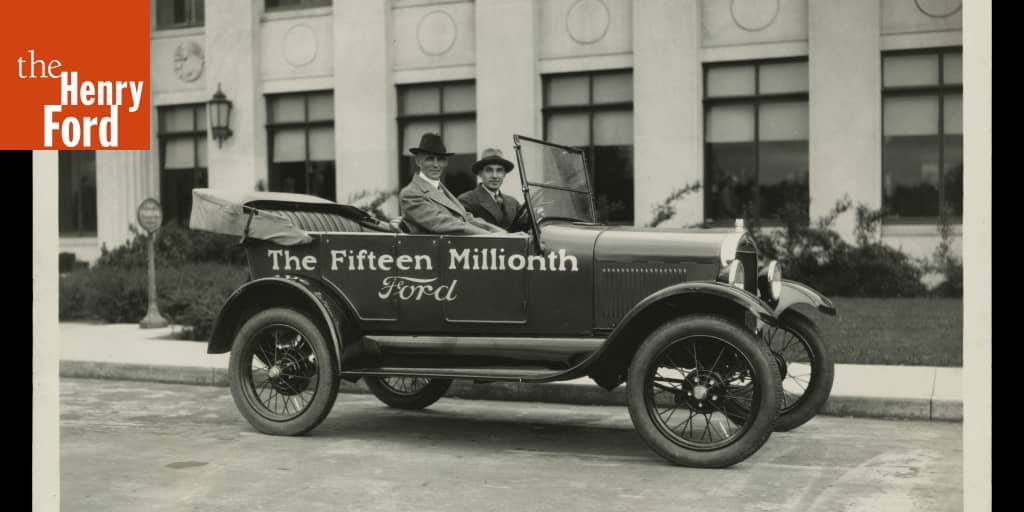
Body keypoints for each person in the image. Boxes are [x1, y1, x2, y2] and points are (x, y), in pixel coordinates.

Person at [398, 133, 506, 235]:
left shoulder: (442, 190)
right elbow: (443, 223)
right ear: (418, 161)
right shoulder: (410, 193)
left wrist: (503, 234)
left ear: (446, 162)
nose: (436, 165)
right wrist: (490, 235)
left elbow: (468, 218)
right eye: (430, 159)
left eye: (440, 159)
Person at [458, 148, 522, 230]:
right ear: (480, 173)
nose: (495, 176)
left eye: (499, 170)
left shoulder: (513, 203)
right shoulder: (467, 200)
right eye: (489, 170)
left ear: (504, 174)